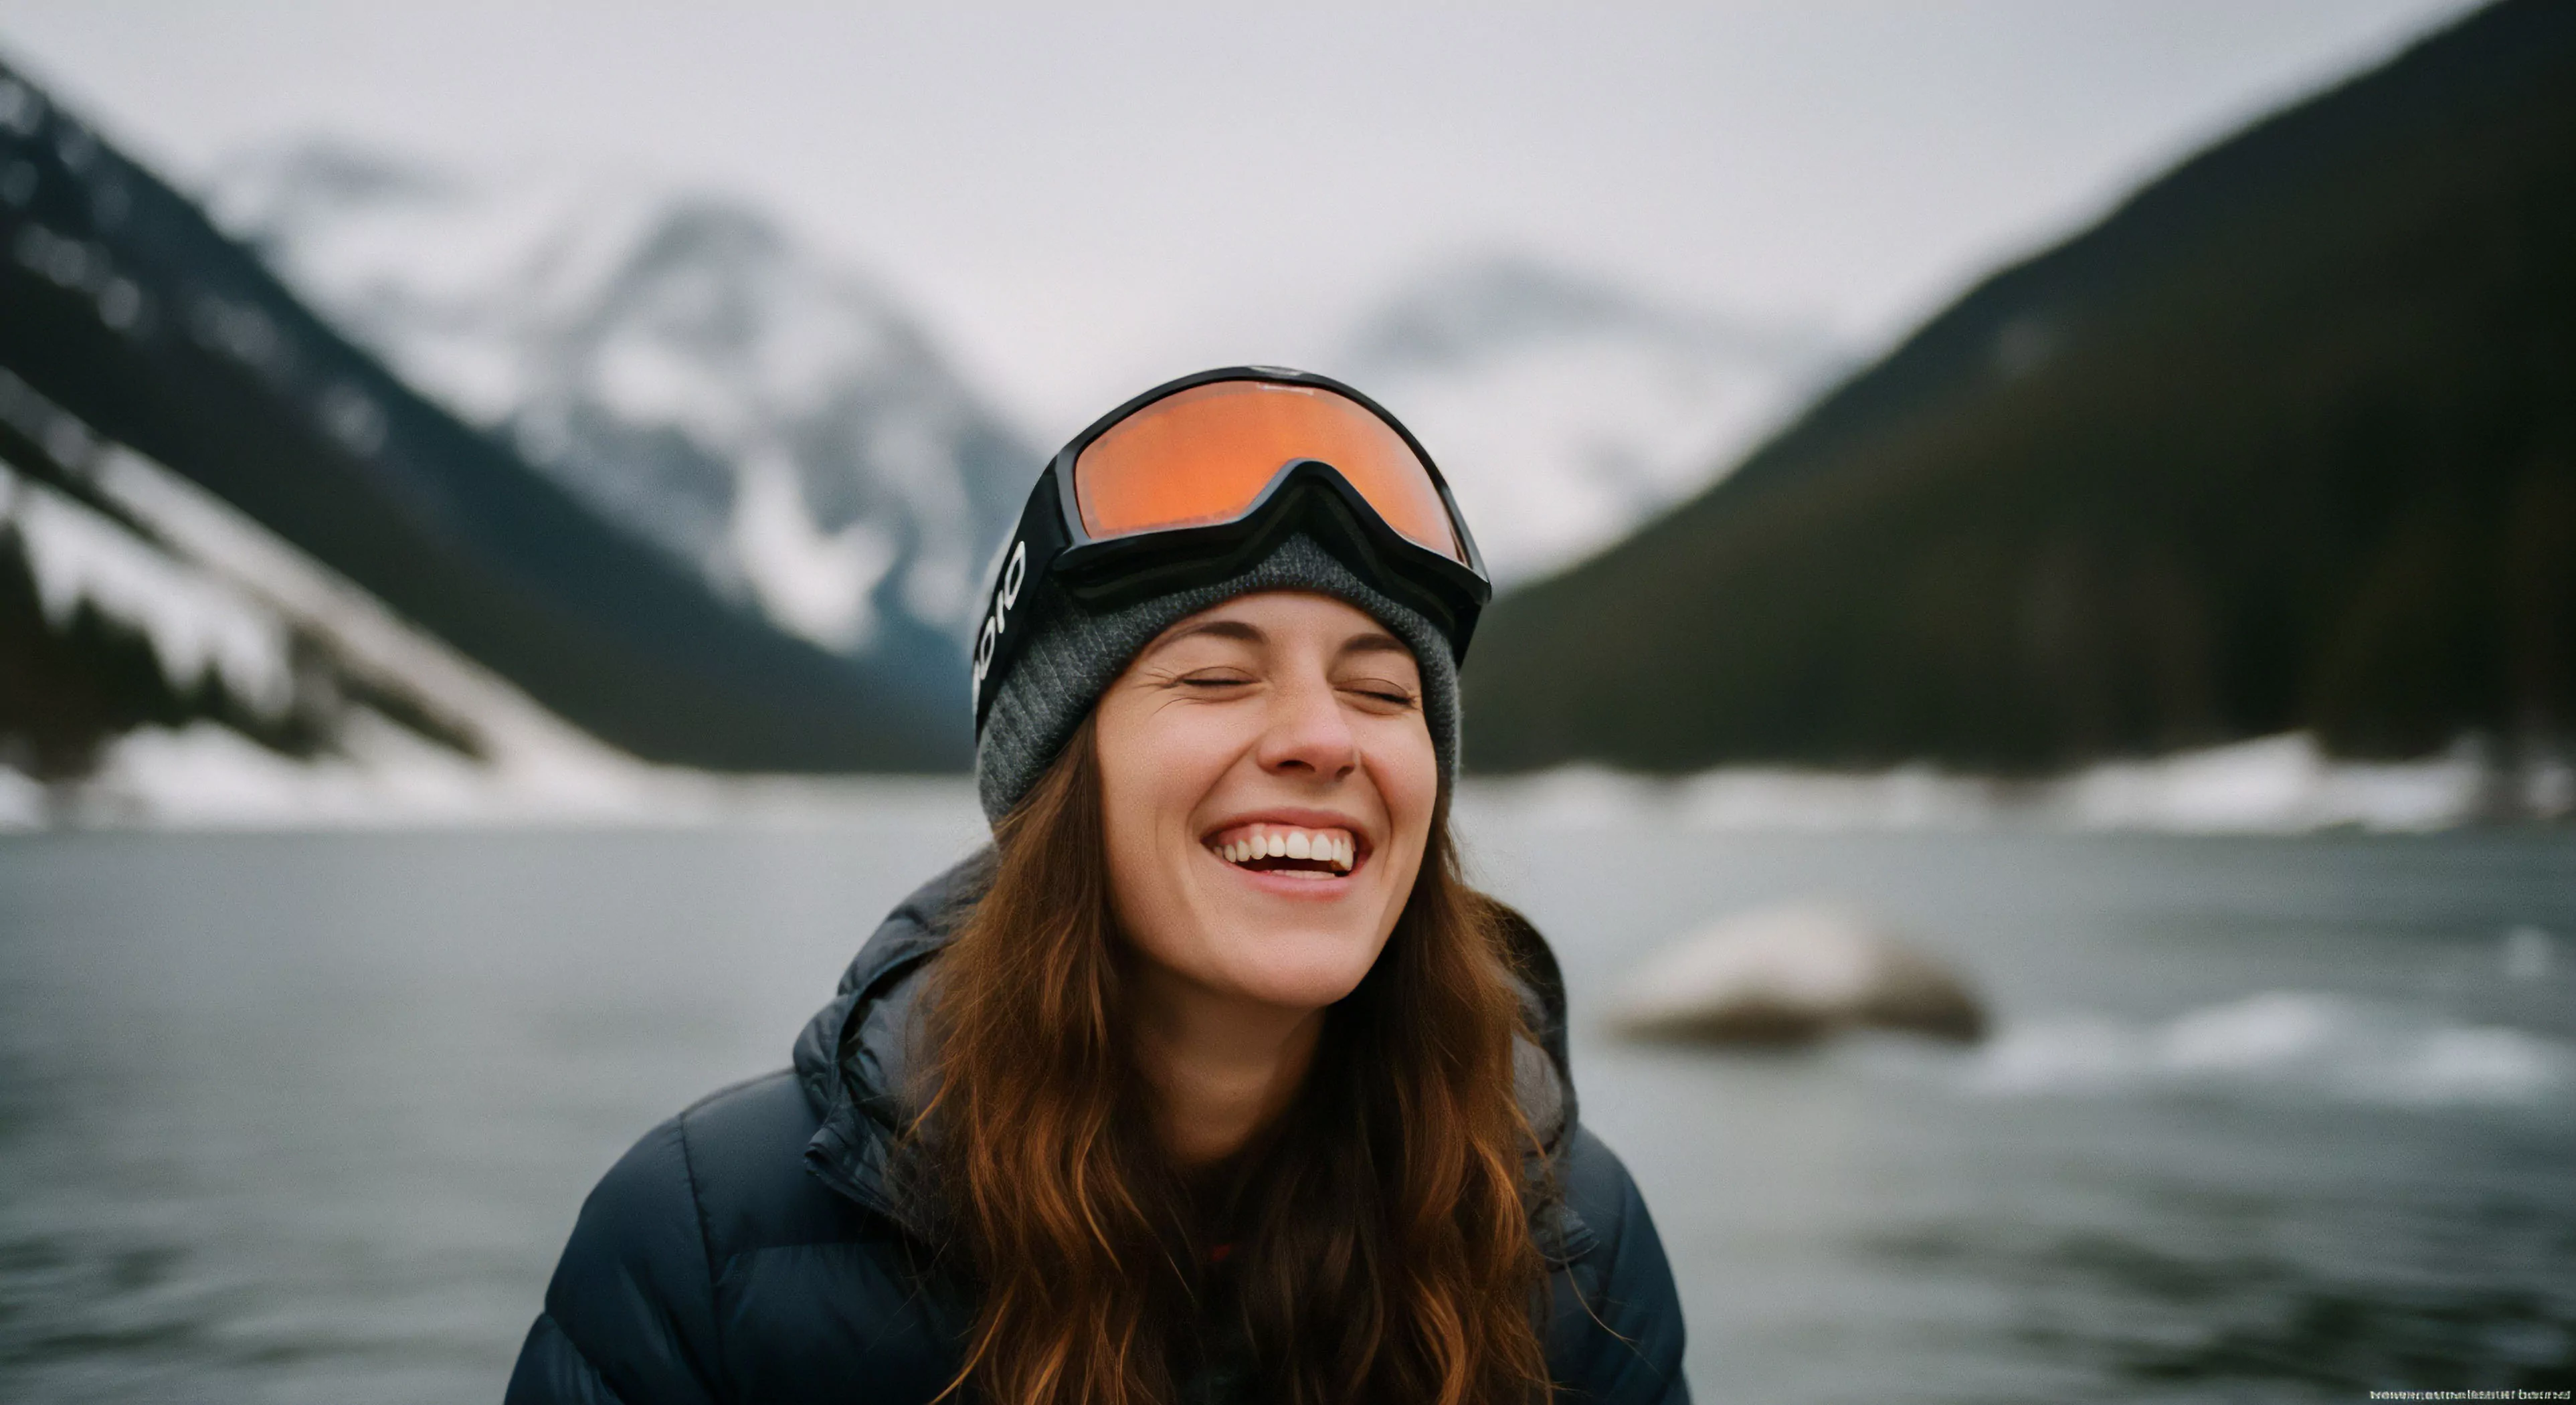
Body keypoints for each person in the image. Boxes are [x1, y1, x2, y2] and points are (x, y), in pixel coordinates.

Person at [504, 367, 1689, 1404]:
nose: (1324, 739)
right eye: (1218, 676)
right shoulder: (704, 1248)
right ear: (1062, 785)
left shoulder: (1566, 1246)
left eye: (1383, 693)